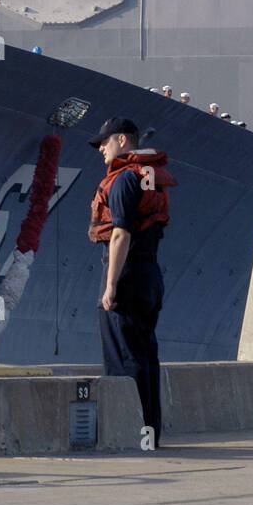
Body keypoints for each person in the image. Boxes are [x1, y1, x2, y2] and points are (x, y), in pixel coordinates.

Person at [88, 117, 174, 450]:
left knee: (122, 358)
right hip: (150, 275)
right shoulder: (149, 179)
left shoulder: (123, 180)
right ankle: (149, 433)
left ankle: (129, 432)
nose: (100, 148)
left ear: (123, 141)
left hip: (127, 275)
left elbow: (121, 233)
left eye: (104, 141)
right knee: (144, 356)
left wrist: (111, 286)